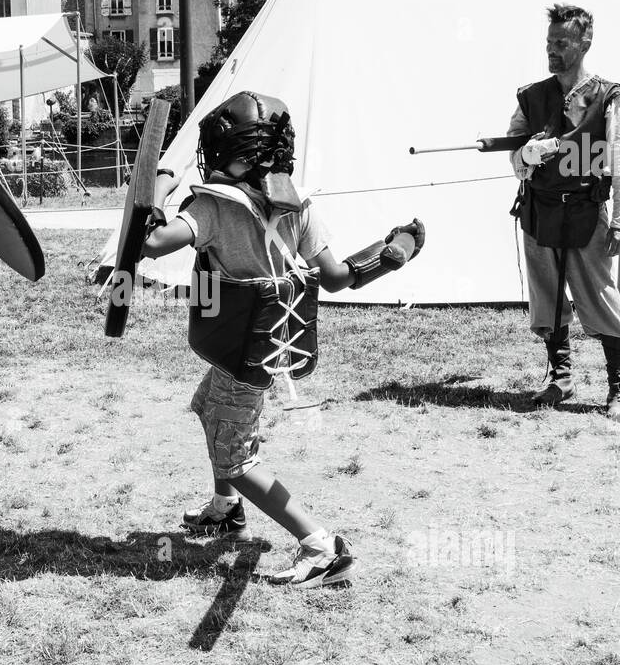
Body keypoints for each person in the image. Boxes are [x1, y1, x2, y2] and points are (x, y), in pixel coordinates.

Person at [140, 91, 424, 589]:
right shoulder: (300, 207)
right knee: (208, 406)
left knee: (237, 457)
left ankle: (321, 545)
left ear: (236, 151)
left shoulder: (213, 208)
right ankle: (226, 509)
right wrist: (391, 249)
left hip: (240, 348)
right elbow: (337, 277)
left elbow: (151, 240)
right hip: (270, 343)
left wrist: (160, 185)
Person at [507, 4, 620, 421]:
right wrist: (527, 153)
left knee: (598, 297)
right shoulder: (532, 96)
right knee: (546, 297)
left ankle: (618, 390)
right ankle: (560, 379)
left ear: (585, 43)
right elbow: (514, 157)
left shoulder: (609, 98)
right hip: (538, 212)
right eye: (549, 43)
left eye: (562, 43)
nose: (553, 50)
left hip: (585, 213)